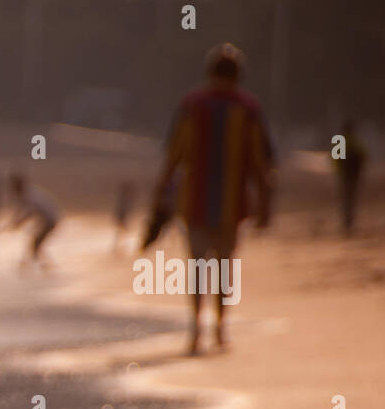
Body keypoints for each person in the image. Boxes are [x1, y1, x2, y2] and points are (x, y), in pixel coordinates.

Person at [153, 42, 274, 355]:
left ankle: (197, 330)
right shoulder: (248, 108)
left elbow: (173, 156)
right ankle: (219, 329)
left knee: (197, 267)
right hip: (231, 205)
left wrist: (159, 195)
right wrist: (264, 203)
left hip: (194, 202)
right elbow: (261, 164)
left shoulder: (192, 104)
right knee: (223, 267)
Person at [5, 174, 59, 268]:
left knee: (35, 244)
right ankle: (37, 265)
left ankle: (38, 265)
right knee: (35, 243)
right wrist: (14, 223)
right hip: (47, 220)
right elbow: (20, 212)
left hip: (50, 220)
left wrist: (17, 223)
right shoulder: (26, 193)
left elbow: (29, 212)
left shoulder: (28, 195)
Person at [334, 120, 368, 237]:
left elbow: (335, 159)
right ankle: (349, 220)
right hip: (354, 175)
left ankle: (346, 220)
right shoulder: (354, 141)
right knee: (351, 197)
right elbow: (364, 154)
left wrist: (339, 171)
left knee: (345, 197)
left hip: (344, 175)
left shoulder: (339, 140)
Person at [114, 181, 135, 252]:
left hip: (122, 216)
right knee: (122, 230)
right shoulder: (123, 200)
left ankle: (119, 245)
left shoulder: (124, 199)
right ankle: (119, 245)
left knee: (121, 231)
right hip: (122, 216)